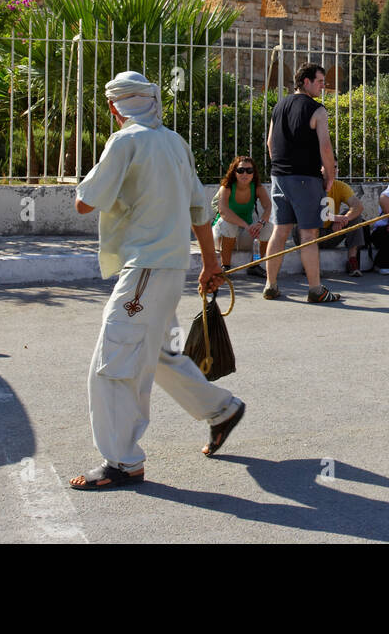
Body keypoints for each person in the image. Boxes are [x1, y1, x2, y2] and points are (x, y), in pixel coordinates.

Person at [69, 71, 245, 490]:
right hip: (168, 268)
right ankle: (221, 410)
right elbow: (200, 210)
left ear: (115, 107)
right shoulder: (174, 142)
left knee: (112, 364)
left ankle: (122, 462)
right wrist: (208, 263)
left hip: (144, 270)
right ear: (149, 102)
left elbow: (84, 202)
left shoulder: (125, 141)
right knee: (159, 354)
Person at [263, 63, 341, 303]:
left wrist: (280, 168)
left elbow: (269, 144)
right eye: (319, 81)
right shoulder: (317, 110)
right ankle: (316, 289)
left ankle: (270, 285)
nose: (323, 86)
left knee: (280, 230)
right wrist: (330, 176)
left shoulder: (279, 106)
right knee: (309, 233)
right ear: (305, 81)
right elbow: (325, 147)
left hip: (279, 176)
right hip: (305, 178)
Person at [212, 155, 273, 278]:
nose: (245, 174)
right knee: (228, 224)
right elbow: (223, 212)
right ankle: (226, 266)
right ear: (234, 172)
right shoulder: (226, 187)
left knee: (268, 227)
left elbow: (268, 207)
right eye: (240, 170)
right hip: (222, 234)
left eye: (249, 170)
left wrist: (260, 223)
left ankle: (255, 264)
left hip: (244, 233)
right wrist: (246, 225)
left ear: (253, 173)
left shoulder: (257, 187)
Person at [310, 178, 370, 276]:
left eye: (335, 167)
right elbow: (307, 210)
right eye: (330, 167)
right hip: (308, 235)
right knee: (306, 222)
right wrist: (334, 218)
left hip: (331, 232)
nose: (333, 170)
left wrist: (344, 219)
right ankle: (310, 264)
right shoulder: (310, 186)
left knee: (354, 215)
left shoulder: (340, 186)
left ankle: (352, 260)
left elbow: (358, 206)